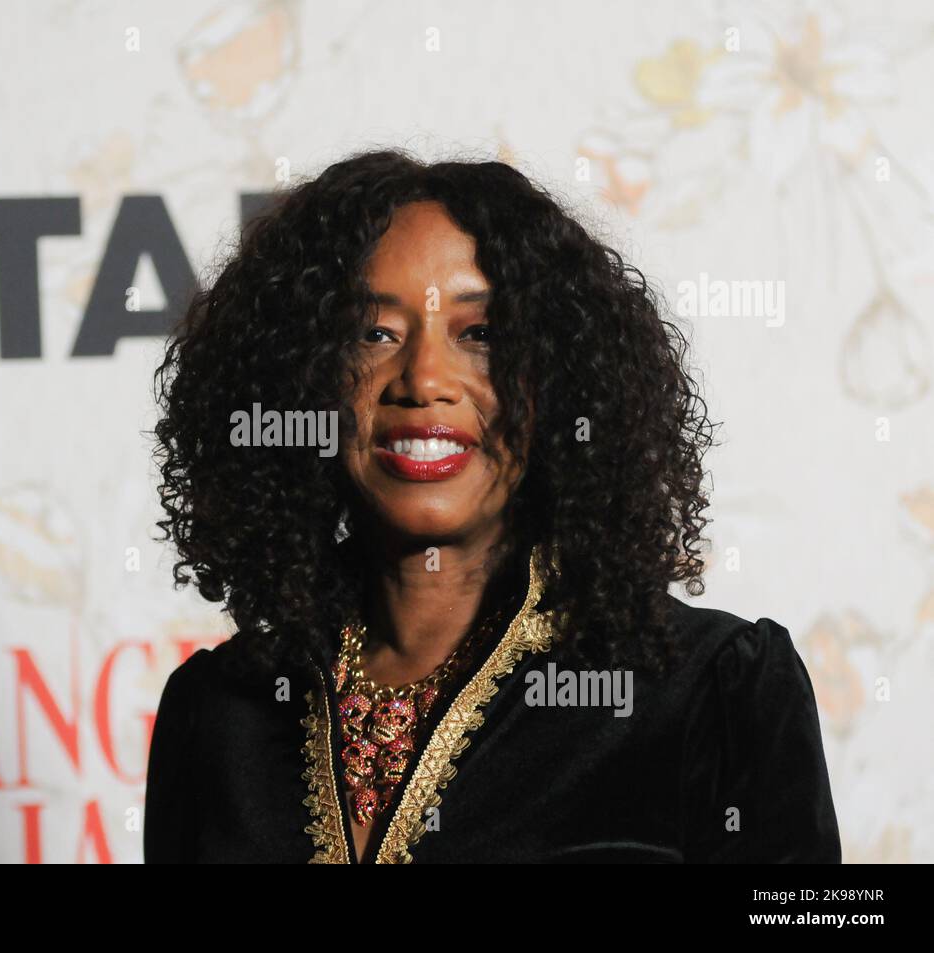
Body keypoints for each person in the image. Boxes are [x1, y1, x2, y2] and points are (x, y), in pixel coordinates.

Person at [144, 149, 841, 864]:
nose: (423, 380)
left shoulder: (709, 692)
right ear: (301, 379)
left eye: (481, 335)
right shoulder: (217, 715)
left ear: (560, 380)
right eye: (374, 333)